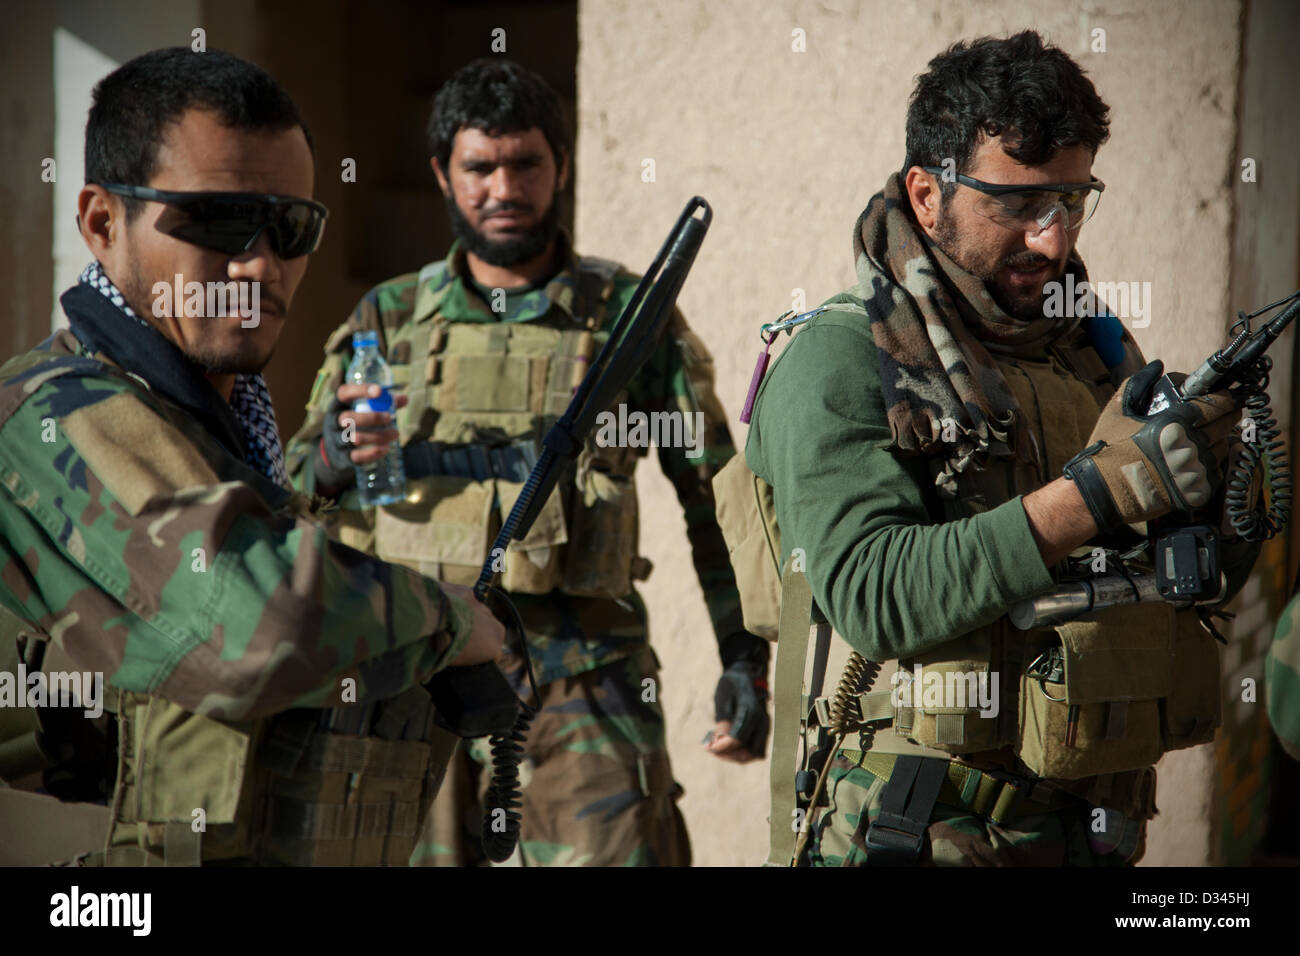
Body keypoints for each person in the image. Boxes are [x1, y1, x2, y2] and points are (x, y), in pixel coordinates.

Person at [740, 31, 1260, 866]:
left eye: (1073, 201)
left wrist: (1226, 493)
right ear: (926, 194)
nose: (1052, 241)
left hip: (1090, 825)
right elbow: (873, 594)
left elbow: (1181, 586)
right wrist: (1095, 496)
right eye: (1016, 205)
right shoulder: (840, 358)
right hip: (916, 831)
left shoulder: (1087, 346)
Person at [0, 47, 504, 867]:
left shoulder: (215, 413)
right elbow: (257, 622)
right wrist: (450, 621)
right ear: (101, 223)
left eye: (289, 227)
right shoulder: (56, 411)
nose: (259, 265)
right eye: (216, 221)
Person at [285, 58, 768, 867]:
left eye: (526, 164)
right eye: (480, 166)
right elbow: (295, 491)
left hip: (585, 679)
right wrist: (331, 460)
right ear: (443, 173)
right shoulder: (390, 317)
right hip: (414, 678)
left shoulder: (628, 318)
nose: (503, 188)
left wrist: (745, 657)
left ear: (562, 169)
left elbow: (716, 496)